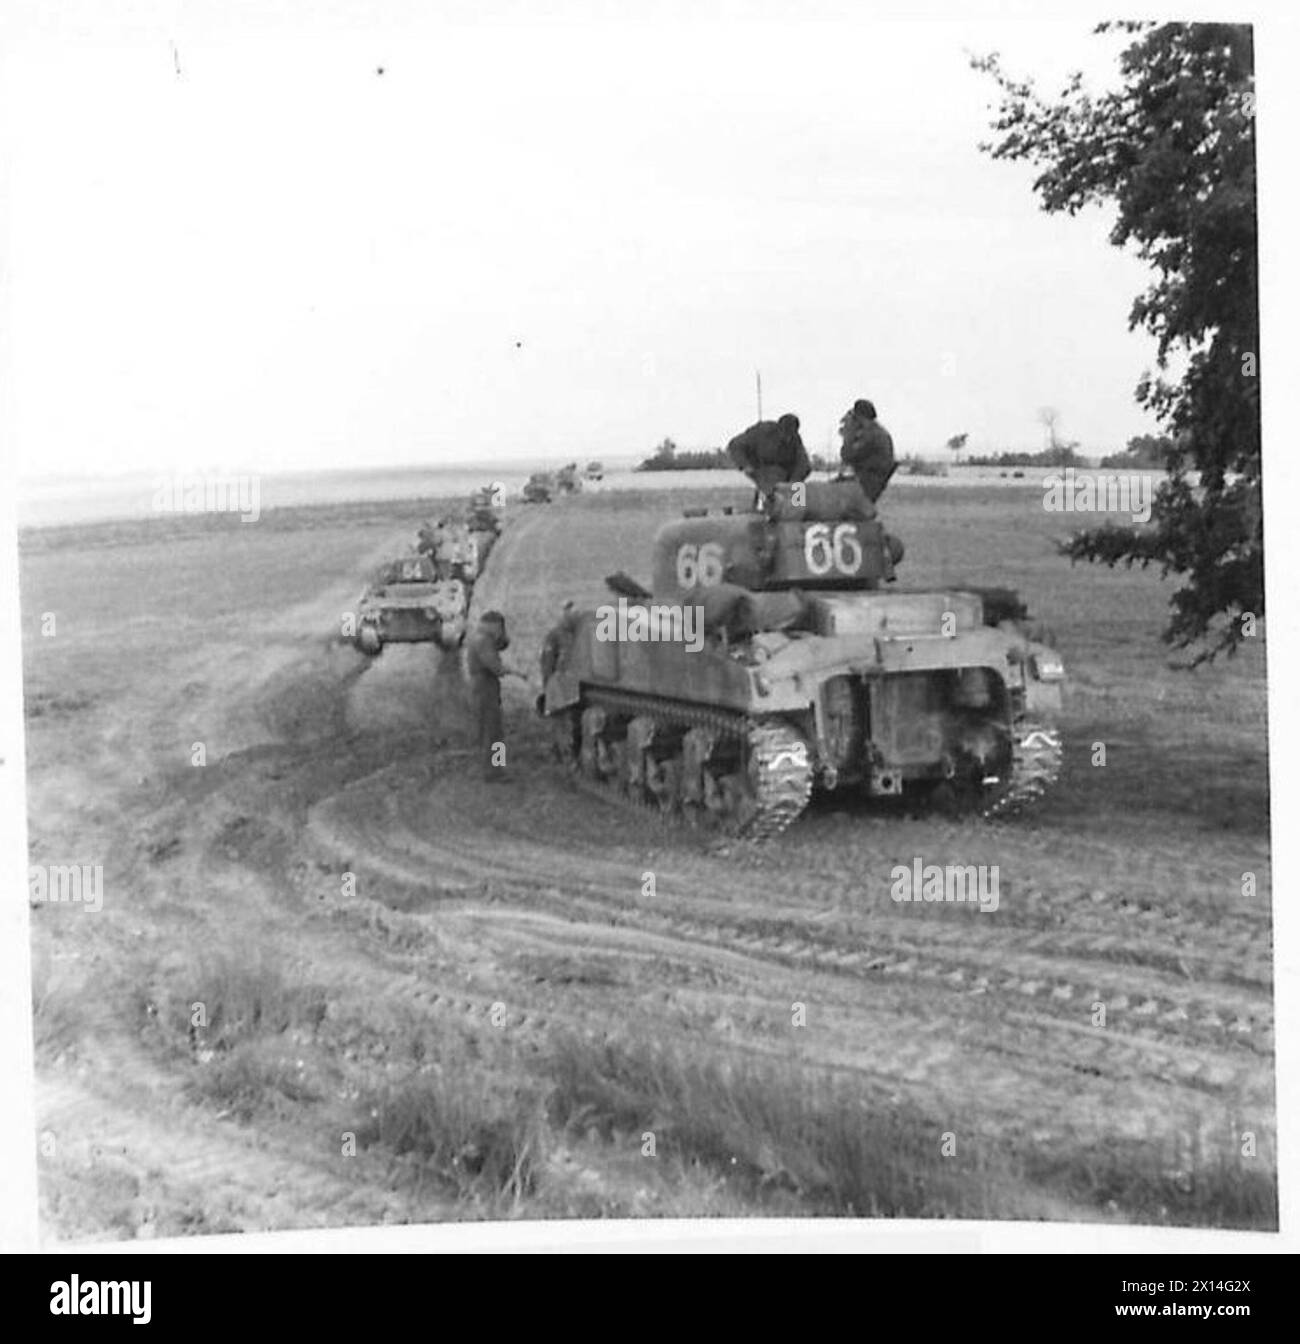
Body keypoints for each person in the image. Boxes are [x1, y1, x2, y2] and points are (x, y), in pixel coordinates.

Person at [464, 610, 524, 781]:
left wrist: (500, 638)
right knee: (493, 731)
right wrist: (516, 672)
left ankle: (491, 768)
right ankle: (495, 771)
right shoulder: (484, 642)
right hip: (485, 687)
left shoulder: (480, 638)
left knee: (487, 730)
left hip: (482, 687)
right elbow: (496, 667)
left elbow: (503, 645)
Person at [726, 413, 811, 496]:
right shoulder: (762, 431)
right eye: (785, 433)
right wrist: (745, 465)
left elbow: (803, 462)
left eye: (790, 434)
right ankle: (768, 503)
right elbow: (735, 445)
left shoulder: (795, 439)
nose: (787, 438)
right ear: (779, 428)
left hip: (787, 474)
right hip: (760, 469)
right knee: (774, 476)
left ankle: (797, 507)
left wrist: (794, 482)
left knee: (798, 486)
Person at [839, 399, 895, 501]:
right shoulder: (876, 432)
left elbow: (847, 455)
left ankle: (799, 507)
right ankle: (800, 506)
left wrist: (848, 435)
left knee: (813, 491)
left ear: (860, 417)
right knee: (807, 490)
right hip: (868, 481)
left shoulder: (871, 435)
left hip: (866, 484)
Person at [537, 600, 581, 713]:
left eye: (576, 614)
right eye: (571, 614)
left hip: (578, 686)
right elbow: (547, 664)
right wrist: (548, 689)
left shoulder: (581, 634)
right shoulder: (555, 636)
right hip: (560, 685)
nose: (575, 617)